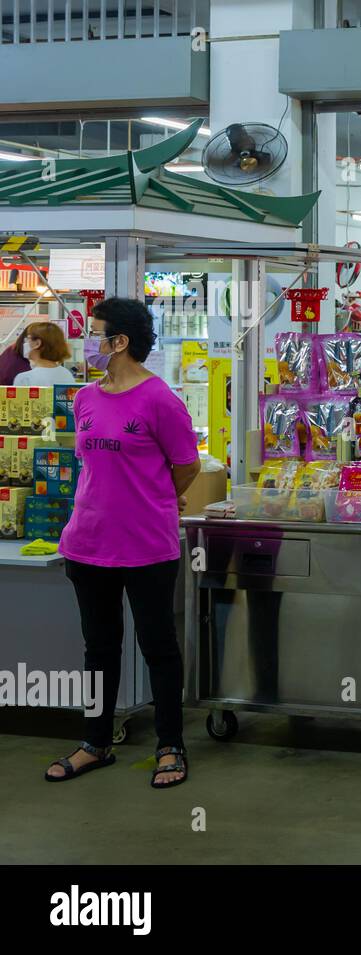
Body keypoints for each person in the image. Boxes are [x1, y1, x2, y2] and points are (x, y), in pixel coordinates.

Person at [45, 297, 200, 789]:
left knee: (158, 647)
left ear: (120, 342)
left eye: (94, 333)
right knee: (99, 648)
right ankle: (96, 742)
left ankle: (170, 745)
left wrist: (150, 501)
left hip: (147, 546)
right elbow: (88, 463)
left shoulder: (160, 400)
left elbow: (188, 465)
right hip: (87, 542)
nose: (85, 342)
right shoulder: (85, 398)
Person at [12, 322, 75, 386]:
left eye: (28, 339)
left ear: (37, 344)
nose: (25, 343)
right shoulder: (67, 375)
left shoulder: (24, 379)